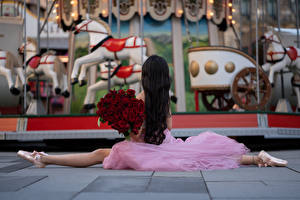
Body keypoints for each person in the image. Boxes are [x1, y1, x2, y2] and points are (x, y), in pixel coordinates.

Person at [17, 55, 288, 171]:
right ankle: (256, 158)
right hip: (165, 143)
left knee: (99, 154)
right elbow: (169, 128)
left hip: (146, 146)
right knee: (205, 154)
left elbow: (137, 132)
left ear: (146, 76)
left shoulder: (140, 96)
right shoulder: (164, 98)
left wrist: (132, 131)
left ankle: (46, 159)